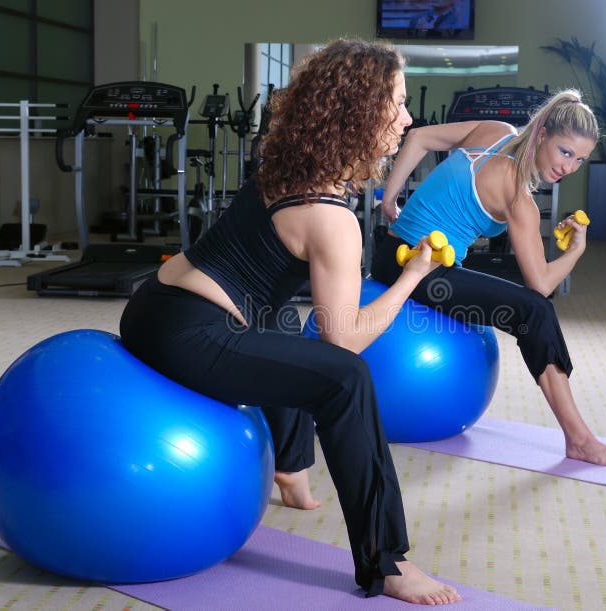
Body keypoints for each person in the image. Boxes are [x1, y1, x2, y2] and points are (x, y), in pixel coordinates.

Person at [120, 39, 461, 605]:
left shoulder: (285, 167)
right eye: (398, 104)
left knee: (283, 320)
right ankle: (387, 561)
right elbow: (344, 341)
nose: (407, 119)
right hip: (189, 334)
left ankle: (292, 468)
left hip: (153, 306)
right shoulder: (332, 219)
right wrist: (411, 278)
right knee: (344, 378)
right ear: (358, 112)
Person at [371, 89, 606, 468]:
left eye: (580, 160)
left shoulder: (495, 131)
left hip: (389, 254)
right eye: (565, 152)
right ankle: (579, 439)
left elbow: (418, 137)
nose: (569, 167)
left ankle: (579, 437)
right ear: (542, 134)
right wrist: (576, 251)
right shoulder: (517, 196)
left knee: (516, 300)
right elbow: (541, 285)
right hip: (420, 274)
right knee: (536, 311)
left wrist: (389, 199)